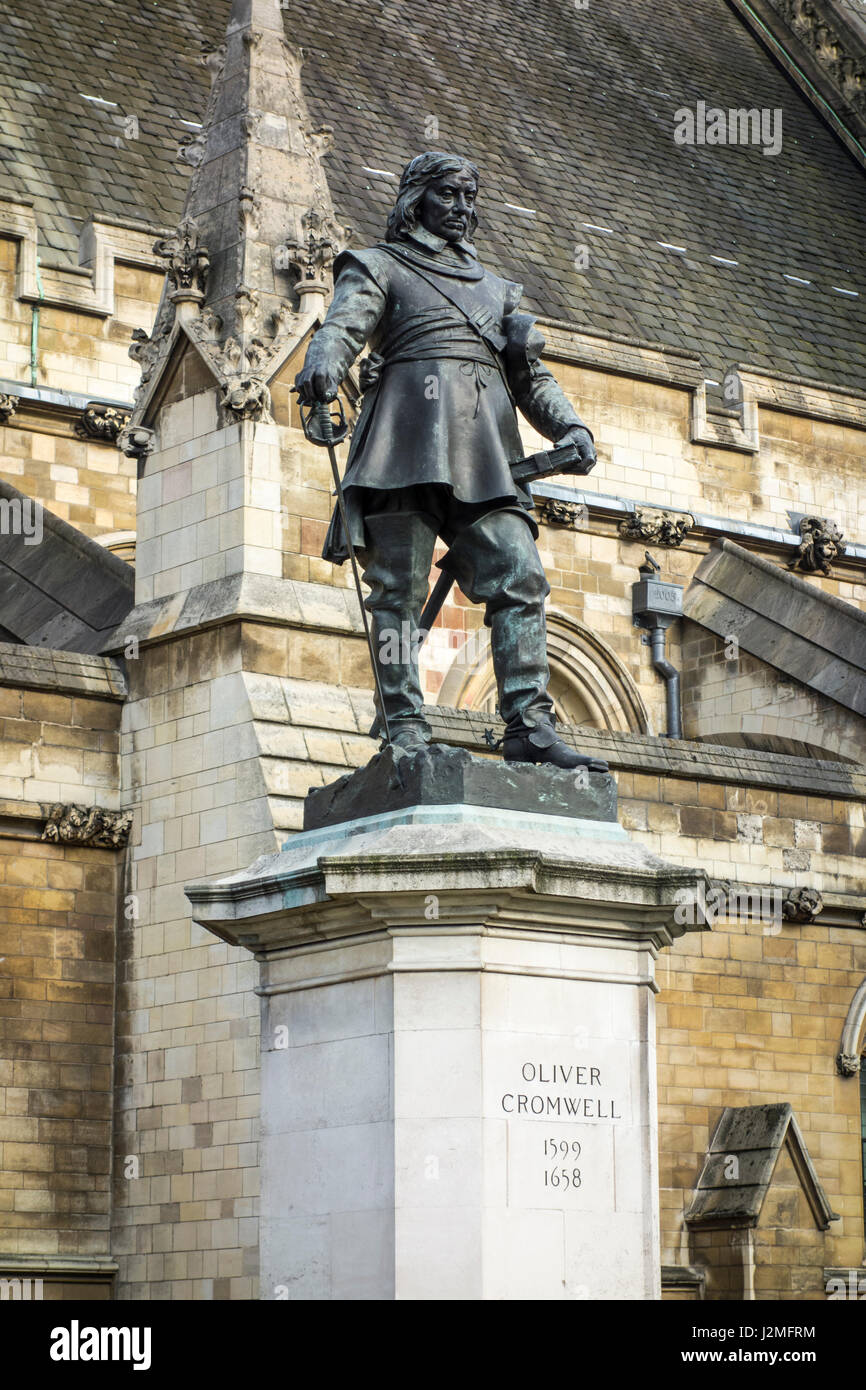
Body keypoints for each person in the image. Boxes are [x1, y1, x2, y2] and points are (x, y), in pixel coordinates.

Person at [295, 151, 608, 771]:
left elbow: (530, 378)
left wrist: (570, 424)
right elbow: (341, 327)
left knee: (519, 576)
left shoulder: (499, 292)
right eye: (449, 196)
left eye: (470, 198)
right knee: (398, 594)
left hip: (487, 458)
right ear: (417, 199)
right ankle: (404, 726)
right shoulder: (379, 266)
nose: (462, 209)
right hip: (402, 447)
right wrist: (323, 363)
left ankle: (528, 725)